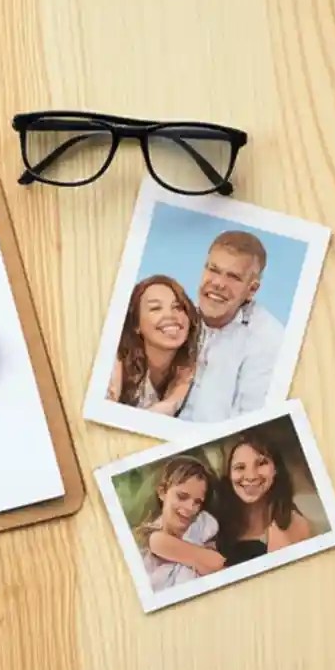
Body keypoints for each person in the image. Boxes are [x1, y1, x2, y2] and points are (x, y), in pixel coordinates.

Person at [178, 230, 285, 423]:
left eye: (233, 277)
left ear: (252, 289)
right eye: (213, 270)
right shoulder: (177, 317)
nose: (218, 283)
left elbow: (251, 424)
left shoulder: (269, 340)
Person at [107, 274, 202, 417]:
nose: (170, 315)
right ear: (136, 325)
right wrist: (172, 401)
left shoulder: (195, 366)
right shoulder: (116, 361)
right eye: (156, 308)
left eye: (178, 307)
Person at [213, 433, 311, 566]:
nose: (251, 476)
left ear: (276, 469)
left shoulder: (295, 524)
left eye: (261, 463)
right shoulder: (213, 524)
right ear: (229, 475)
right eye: (240, 467)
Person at [133, 455, 225, 591]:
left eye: (197, 502)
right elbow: (216, 563)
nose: (190, 507)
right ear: (162, 493)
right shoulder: (156, 538)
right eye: (182, 497)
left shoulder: (202, 527)